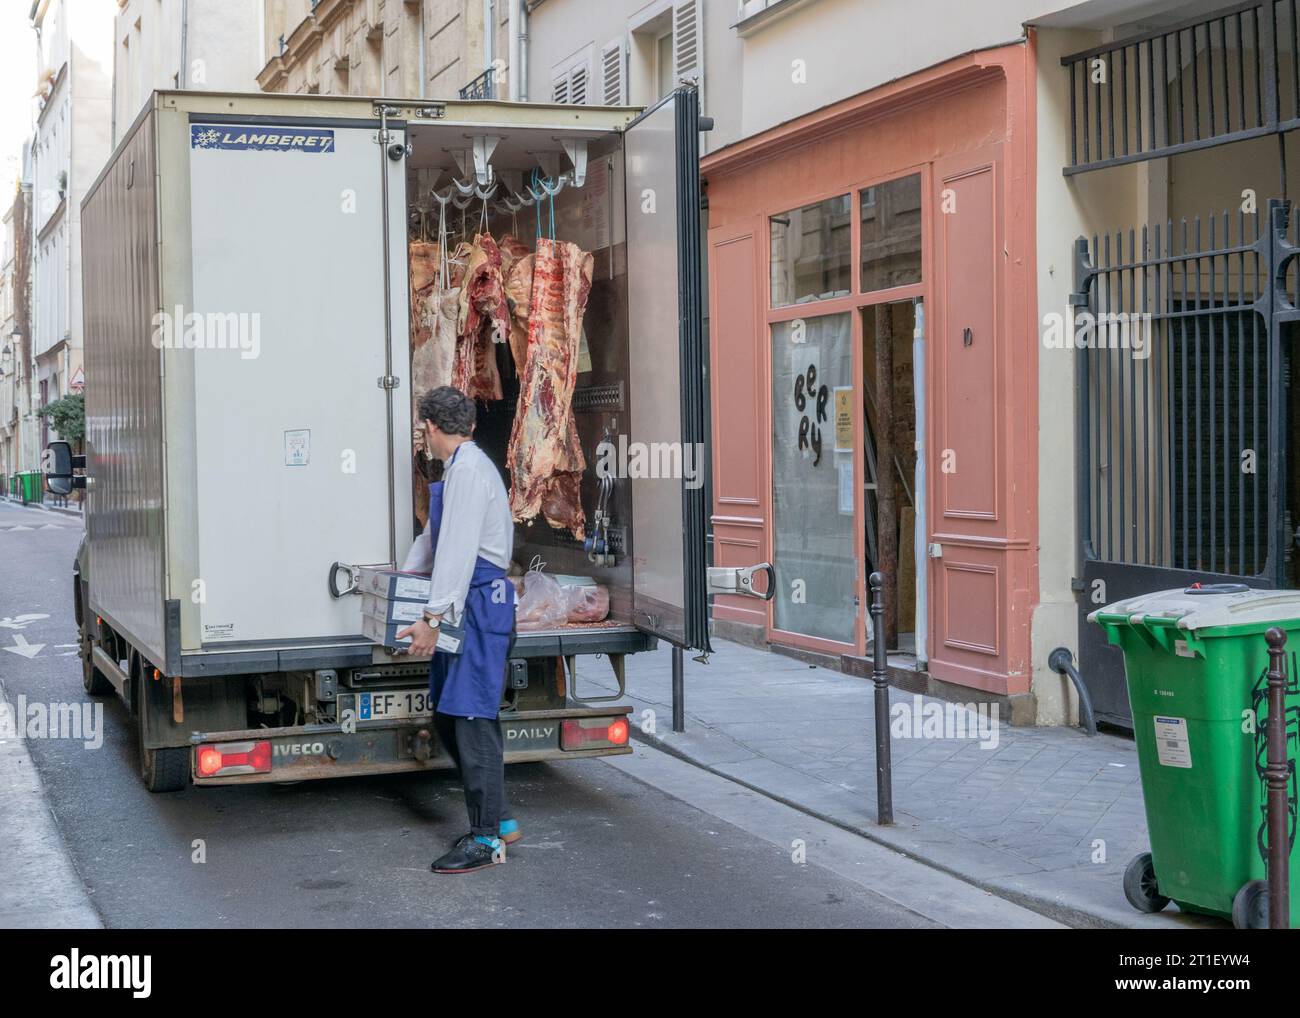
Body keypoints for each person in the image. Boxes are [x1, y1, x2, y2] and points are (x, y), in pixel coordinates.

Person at [396, 386, 519, 874]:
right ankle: (502, 818)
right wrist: (400, 589)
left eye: (420, 427)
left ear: (429, 427)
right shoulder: (459, 469)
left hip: (478, 607)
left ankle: (487, 838)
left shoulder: (469, 472)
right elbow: (433, 541)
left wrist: (431, 619)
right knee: (450, 715)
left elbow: (459, 552)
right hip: (462, 604)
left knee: (471, 719)